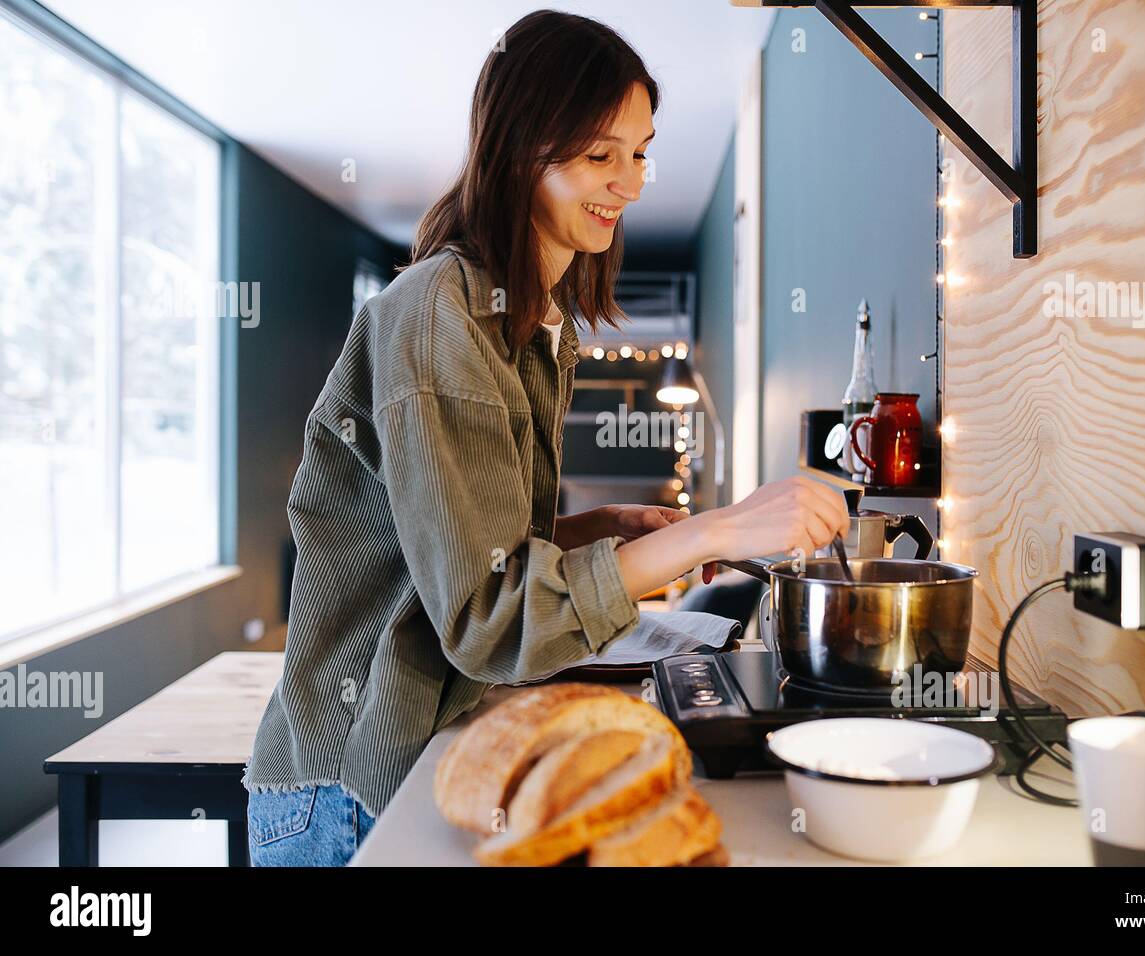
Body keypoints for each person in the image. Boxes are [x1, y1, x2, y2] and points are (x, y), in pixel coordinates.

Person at [242, 9, 847, 866]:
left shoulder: (529, 325)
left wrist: (590, 535)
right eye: (600, 155)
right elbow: (487, 617)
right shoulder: (436, 315)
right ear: (520, 148)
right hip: (353, 792)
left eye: (640, 152)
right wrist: (716, 530)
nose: (628, 183)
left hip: (423, 758)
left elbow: (459, 552)